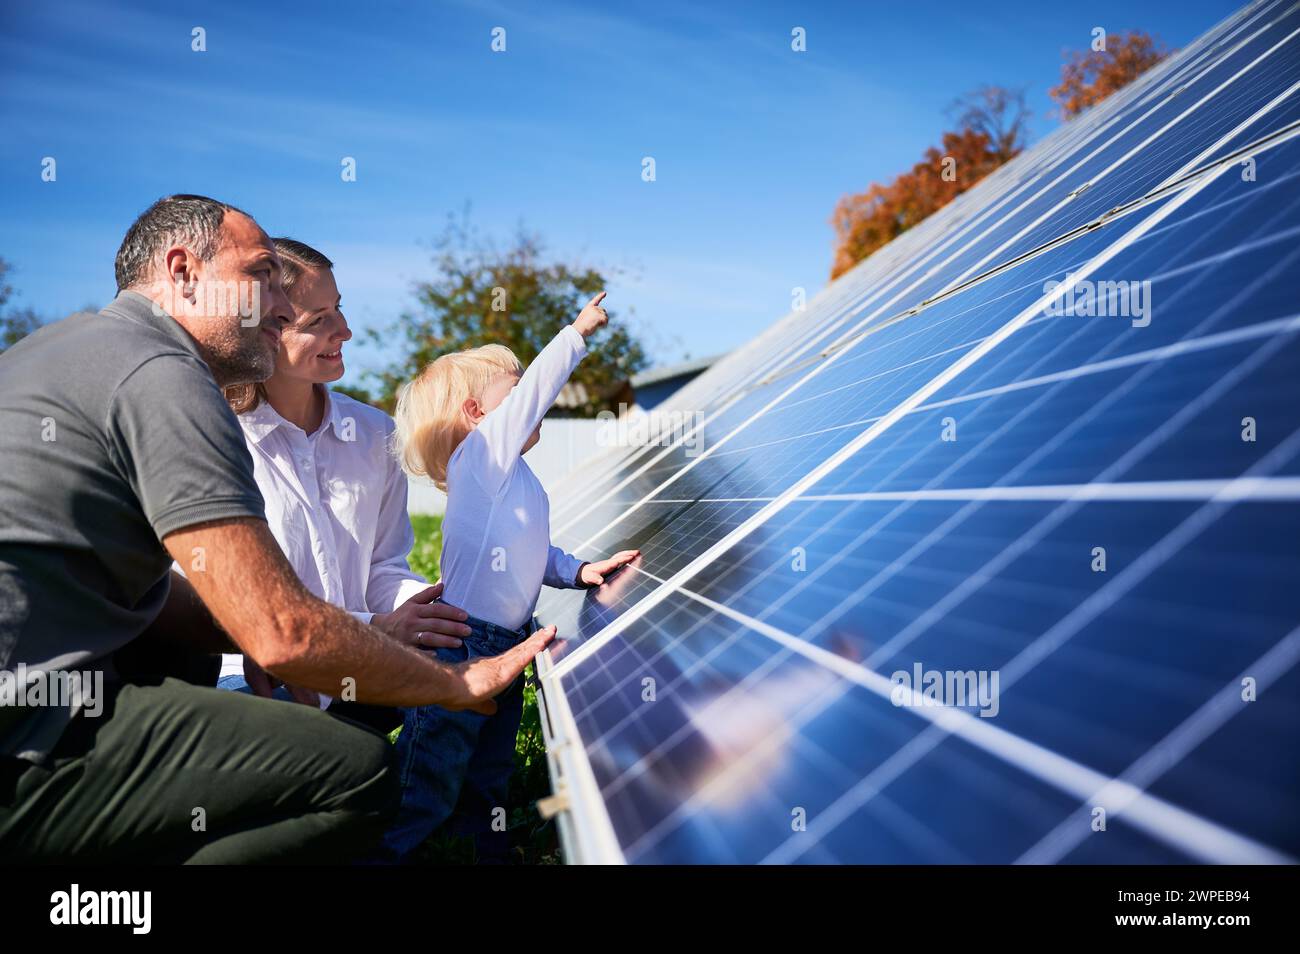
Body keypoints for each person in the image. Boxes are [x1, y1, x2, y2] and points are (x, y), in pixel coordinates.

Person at [0, 194, 552, 863]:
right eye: (261, 276)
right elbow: (280, 630)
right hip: (27, 737)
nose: (279, 307)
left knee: (211, 657)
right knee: (359, 772)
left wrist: (276, 639)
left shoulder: (66, 349)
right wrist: (455, 683)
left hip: (64, 685)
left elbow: (166, 599)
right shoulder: (164, 375)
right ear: (181, 272)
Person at [387, 291, 638, 860]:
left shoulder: (515, 476)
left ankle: (486, 851)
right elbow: (537, 393)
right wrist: (577, 331)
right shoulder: (481, 457)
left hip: (509, 644)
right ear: (478, 415)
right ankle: (389, 853)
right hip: (463, 644)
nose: (530, 400)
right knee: (428, 776)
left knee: (489, 771)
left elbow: (532, 552)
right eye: (514, 390)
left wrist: (578, 571)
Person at [214, 238, 467, 714]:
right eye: (318, 320)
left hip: (358, 671)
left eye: (339, 308)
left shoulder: (374, 434)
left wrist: (434, 609)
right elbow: (222, 602)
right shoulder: (218, 441)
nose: (346, 331)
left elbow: (382, 569)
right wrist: (372, 629)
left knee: (467, 662)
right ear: (266, 331)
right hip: (253, 682)